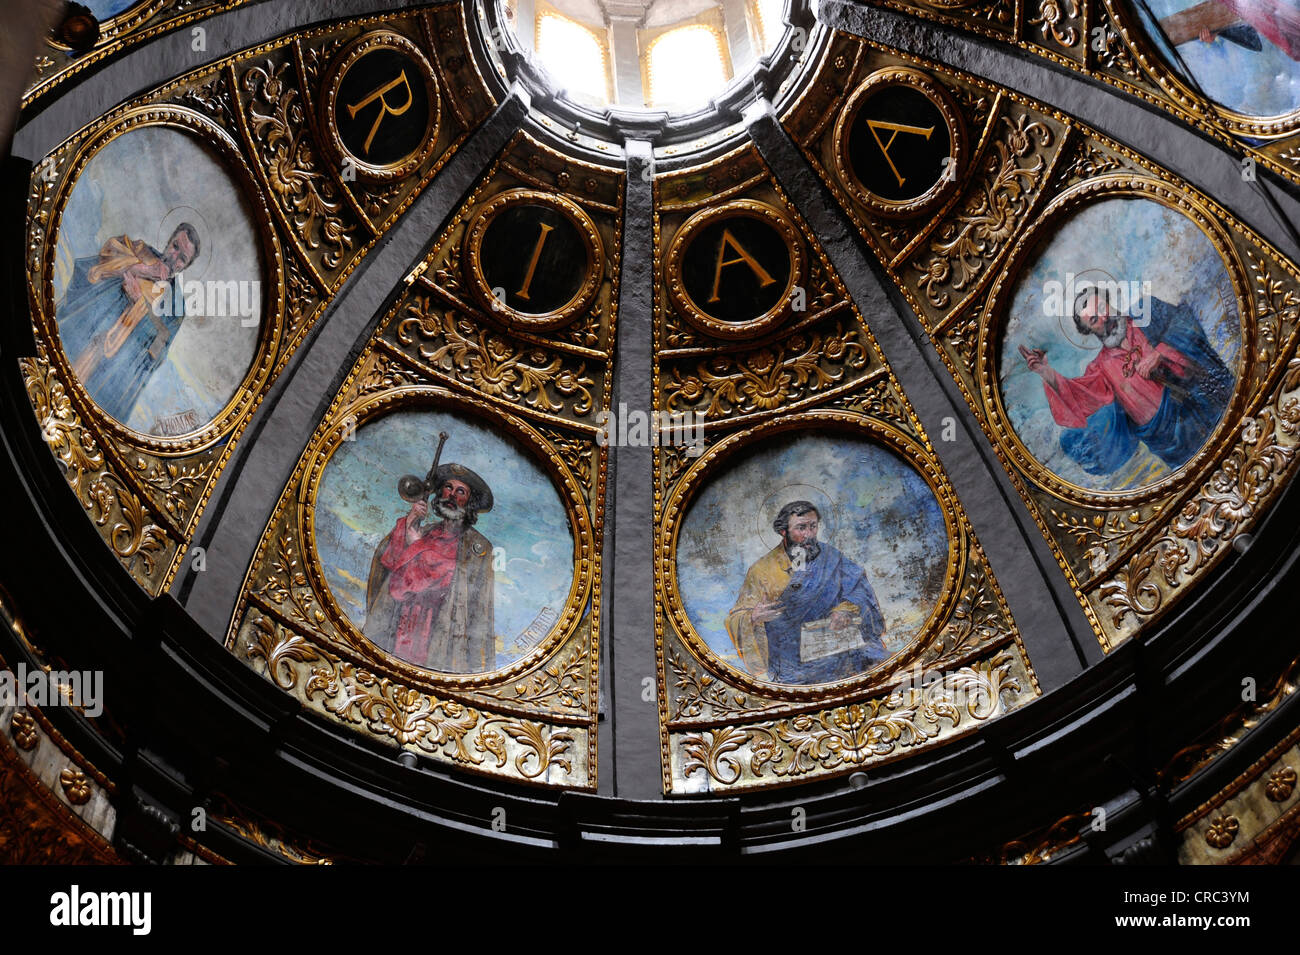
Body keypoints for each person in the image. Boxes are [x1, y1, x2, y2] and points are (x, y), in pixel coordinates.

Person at [1023, 289, 1234, 477]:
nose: (1105, 317)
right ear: (1089, 331)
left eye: (1103, 307)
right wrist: (1046, 372)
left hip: (1203, 406)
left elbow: (1184, 321)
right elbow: (1078, 397)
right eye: (1094, 319)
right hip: (1170, 443)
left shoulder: (1148, 314)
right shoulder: (1099, 367)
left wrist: (1160, 352)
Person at [725, 501, 888, 685]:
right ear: (783, 531)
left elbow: (858, 588)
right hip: (791, 661)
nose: (809, 534)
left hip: (840, 646)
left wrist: (844, 610)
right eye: (801, 528)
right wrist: (753, 617)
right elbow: (736, 617)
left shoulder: (831, 557)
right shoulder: (761, 570)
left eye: (813, 526)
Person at [57, 224, 200, 423]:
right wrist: (142, 268)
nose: (175, 257)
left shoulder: (176, 305)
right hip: (91, 329)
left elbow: (159, 345)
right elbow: (106, 256)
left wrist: (139, 302)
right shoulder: (140, 250)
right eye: (175, 246)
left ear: (186, 266)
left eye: (182, 258)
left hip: (118, 366)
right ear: (169, 240)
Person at [364, 463, 496, 672]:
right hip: (403, 622)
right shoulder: (425, 532)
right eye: (448, 488)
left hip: (442, 628)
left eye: (460, 491)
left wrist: (416, 545)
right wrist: (409, 521)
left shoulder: (477, 548)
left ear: (468, 501)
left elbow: (441, 578)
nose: (451, 495)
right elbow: (389, 562)